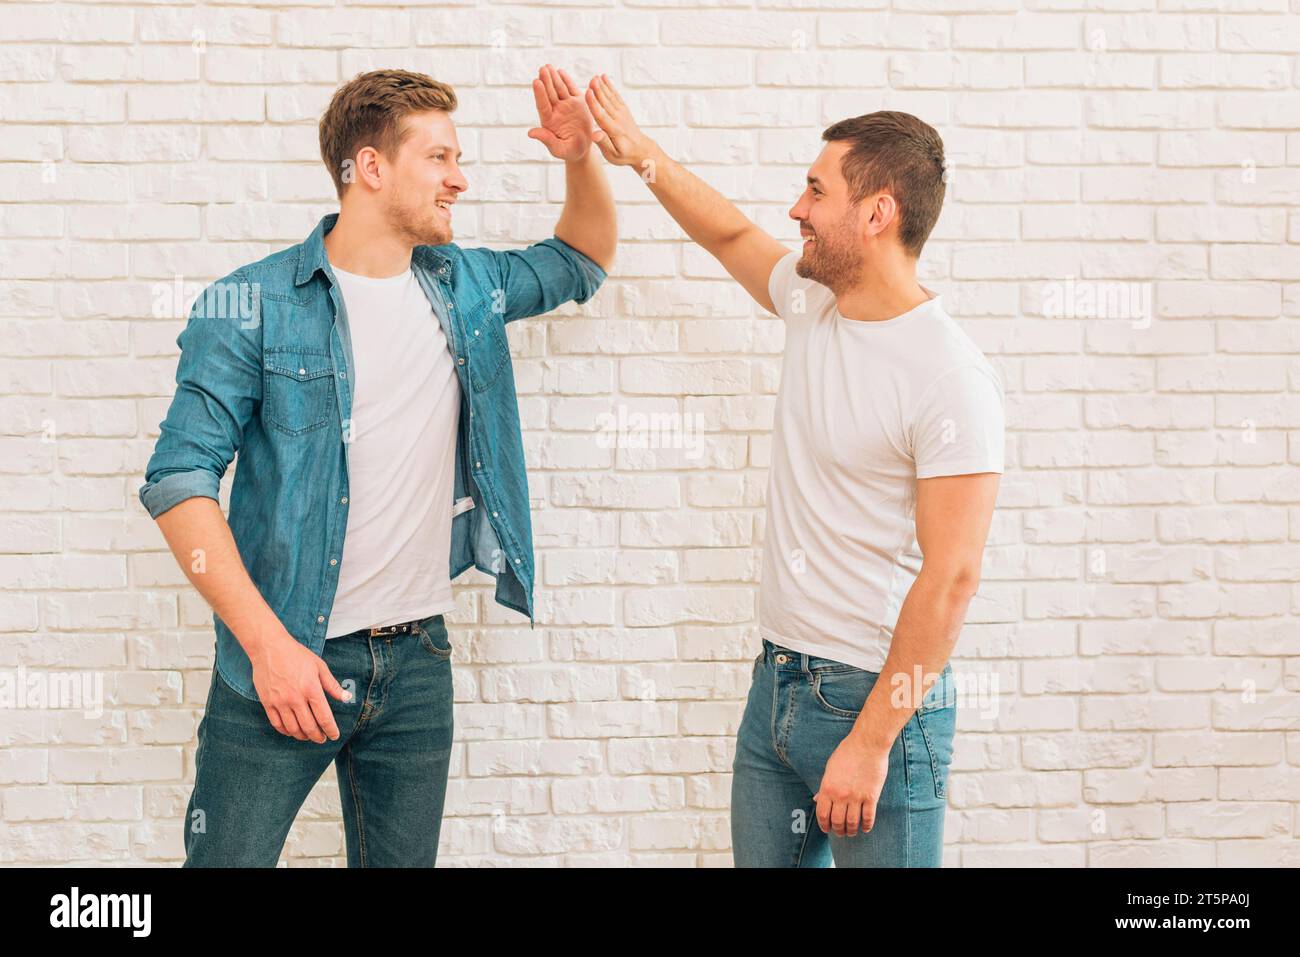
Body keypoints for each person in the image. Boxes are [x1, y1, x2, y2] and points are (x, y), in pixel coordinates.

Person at [138, 66, 615, 866]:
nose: (460, 178)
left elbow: (582, 259)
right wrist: (269, 648)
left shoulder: (467, 286)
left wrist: (578, 159)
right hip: (283, 662)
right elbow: (179, 480)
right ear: (370, 167)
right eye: (439, 158)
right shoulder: (250, 304)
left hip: (416, 663)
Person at [584, 74, 1004, 867]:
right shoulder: (816, 304)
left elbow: (953, 576)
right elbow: (733, 236)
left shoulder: (950, 375)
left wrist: (873, 739)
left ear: (878, 212)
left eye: (817, 190)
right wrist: (640, 154)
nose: (796, 209)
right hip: (776, 682)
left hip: (875, 704)